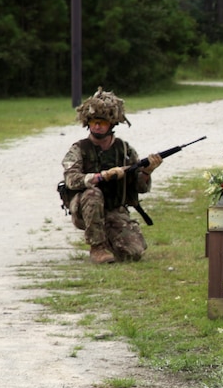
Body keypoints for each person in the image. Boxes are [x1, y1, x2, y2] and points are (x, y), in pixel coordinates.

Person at [61, 88, 162, 264]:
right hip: (85, 208)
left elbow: (140, 187)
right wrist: (102, 176)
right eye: (93, 122)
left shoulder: (124, 150)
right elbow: (72, 179)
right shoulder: (79, 149)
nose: (97, 126)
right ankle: (97, 248)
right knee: (93, 194)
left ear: (112, 124)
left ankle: (108, 237)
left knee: (133, 253)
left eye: (102, 122)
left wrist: (147, 172)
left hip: (115, 209)